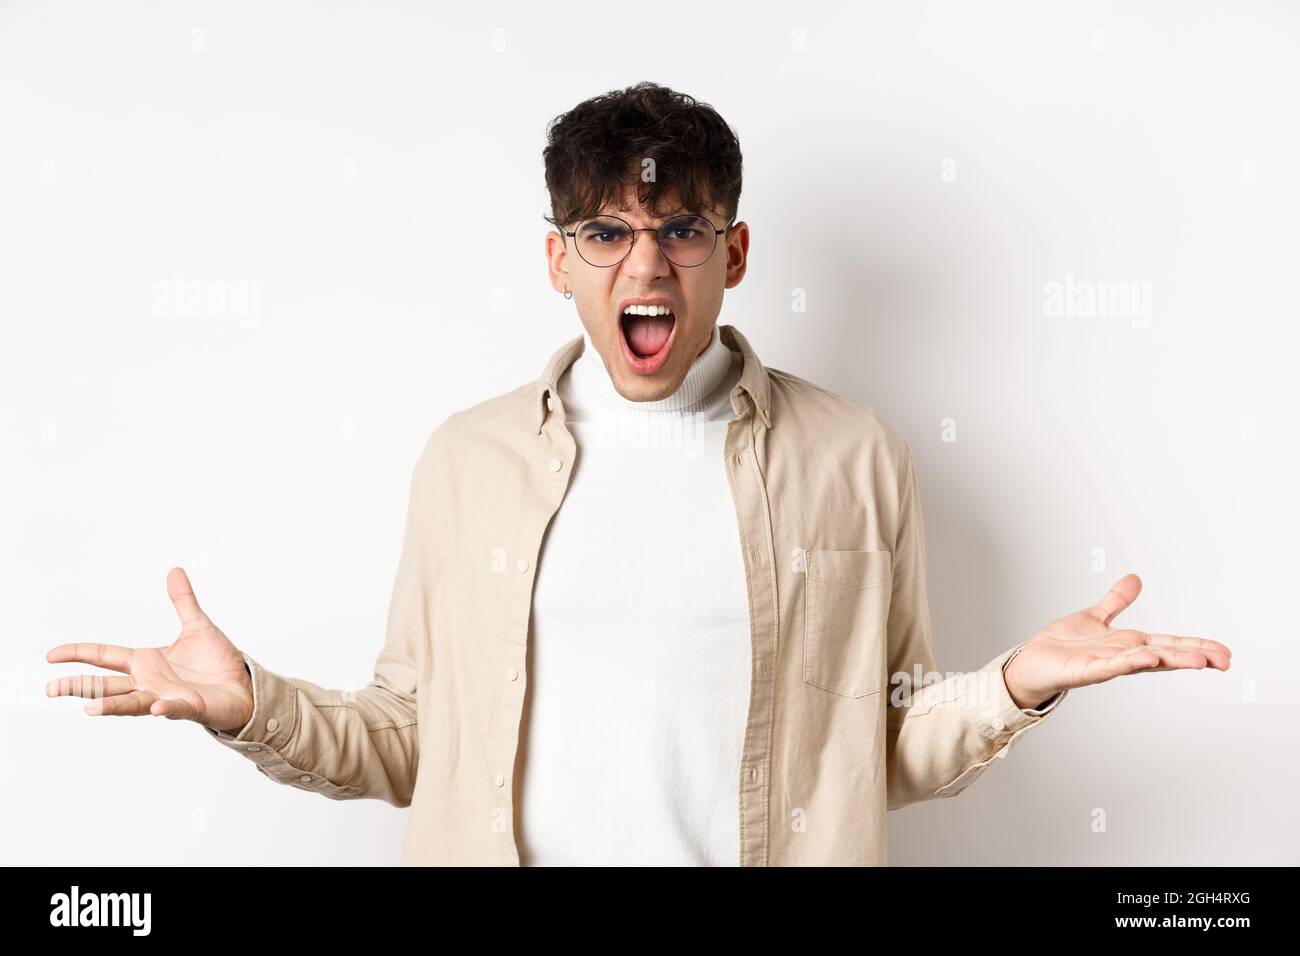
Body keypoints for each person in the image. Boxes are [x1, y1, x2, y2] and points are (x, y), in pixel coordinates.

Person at [45, 81, 1231, 866]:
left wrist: (1017, 681)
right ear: (558, 260)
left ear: (735, 251)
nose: (644, 261)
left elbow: (884, 746)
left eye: (680, 228)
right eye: (606, 233)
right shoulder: (468, 460)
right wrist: (250, 702)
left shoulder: (854, 454)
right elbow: (411, 740)